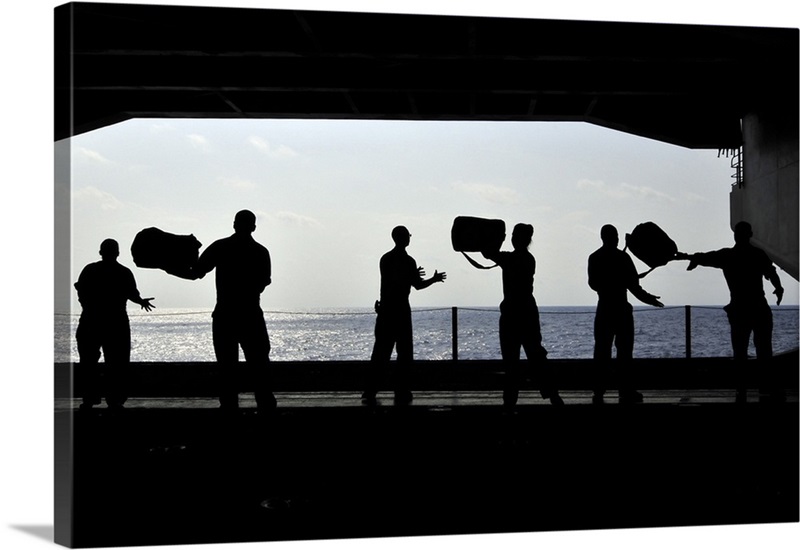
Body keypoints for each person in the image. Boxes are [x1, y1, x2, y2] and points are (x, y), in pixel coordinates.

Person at [676, 221, 784, 403]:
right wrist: (779, 289)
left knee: (740, 352)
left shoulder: (728, 256)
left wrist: (689, 258)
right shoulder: (757, 255)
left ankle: (741, 391)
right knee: (764, 350)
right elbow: (772, 273)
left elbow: (705, 257)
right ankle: (767, 389)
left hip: (739, 309)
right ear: (750, 234)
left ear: (736, 235)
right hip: (759, 307)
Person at [192, 210, 276, 413]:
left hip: (225, 316)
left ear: (234, 224)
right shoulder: (260, 252)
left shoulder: (220, 247)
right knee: (259, 365)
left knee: (227, 368)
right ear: (253, 227)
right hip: (250, 315)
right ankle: (266, 409)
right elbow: (263, 282)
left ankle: (229, 411)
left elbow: (196, 271)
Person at [362, 225, 446, 406]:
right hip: (398, 311)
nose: (409, 238)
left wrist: (429, 278)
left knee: (383, 353)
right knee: (400, 354)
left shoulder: (388, 259)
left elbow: (409, 283)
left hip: (388, 312)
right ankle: (399, 389)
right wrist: (427, 278)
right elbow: (410, 284)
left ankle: (373, 390)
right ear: (402, 238)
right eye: (408, 235)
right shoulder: (405, 262)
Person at [482, 223, 563, 408]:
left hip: (512, 314)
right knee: (536, 357)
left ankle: (510, 403)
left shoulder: (511, 259)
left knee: (511, 363)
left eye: (513, 235)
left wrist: (497, 238)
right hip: (527, 313)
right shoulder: (527, 258)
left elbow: (487, 252)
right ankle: (553, 396)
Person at [74, 238, 155, 411]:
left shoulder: (90, 270)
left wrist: (87, 306)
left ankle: (90, 398)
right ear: (117, 253)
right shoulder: (123, 272)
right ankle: (115, 399)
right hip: (116, 322)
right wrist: (141, 301)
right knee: (117, 363)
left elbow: (81, 291)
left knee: (88, 362)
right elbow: (132, 293)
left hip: (91, 320)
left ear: (100, 252)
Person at [588, 224, 663, 404]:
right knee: (624, 352)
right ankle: (625, 389)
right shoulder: (623, 258)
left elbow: (593, 284)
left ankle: (599, 391)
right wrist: (649, 299)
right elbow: (634, 286)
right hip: (621, 309)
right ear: (615, 238)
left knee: (601, 351)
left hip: (604, 308)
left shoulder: (595, 257)